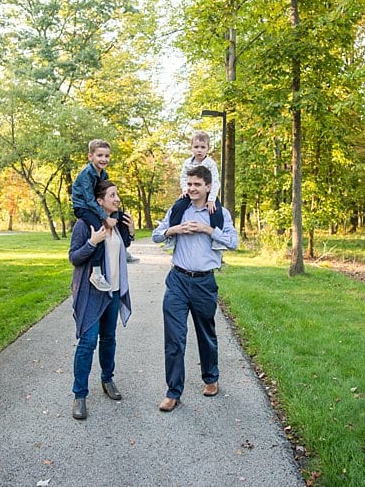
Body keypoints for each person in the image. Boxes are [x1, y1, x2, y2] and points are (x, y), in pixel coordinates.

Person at [151, 165, 238, 412]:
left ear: (208, 187)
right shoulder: (178, 208)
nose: (192, 188)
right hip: (177, 280)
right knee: (174, 338)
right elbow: (156, 236)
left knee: (205, 334)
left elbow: (233, 242)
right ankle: (173, 392)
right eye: (189, 184)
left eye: (197, 184)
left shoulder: (218, 213)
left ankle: (211, 378)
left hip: (204, 283)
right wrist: (175, 229)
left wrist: (208, 230)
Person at [69, 180, 135, 420]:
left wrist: (131, 231)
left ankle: (107, 379)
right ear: (99, 201)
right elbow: (74, 257)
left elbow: (121, 248)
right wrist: (92, 243)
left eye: (117, 194)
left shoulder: (116, 222)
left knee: (109, 339)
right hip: (92, 293)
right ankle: (80, 395)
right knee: (87, 342)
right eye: (112, 195)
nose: (117, 199)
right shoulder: (84, 224)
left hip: (113, 291)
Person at [71, 140, 138, 289]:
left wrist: (114, 216)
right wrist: (105, 217)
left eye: (107, 156)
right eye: (100, 155)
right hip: (83, 207)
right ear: (90, 156)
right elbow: (90, 199)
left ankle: (123, 251)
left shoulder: (103, 174)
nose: (104, 159)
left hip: (95, 205)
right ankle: (96, 272)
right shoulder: (86, 174)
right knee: (100, 231)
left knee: (120, 216)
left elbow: (103, 190)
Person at [164, 132, 225, 251]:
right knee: (177, 207)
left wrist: (211, 199)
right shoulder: (187, 163)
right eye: (196, 147)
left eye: (203, 147)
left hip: (209, 193)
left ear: (208, 148)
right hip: (190, 191)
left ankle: (217, 240)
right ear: (191, 148)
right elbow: (183, 177)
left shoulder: (210, 164)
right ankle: (172, 236)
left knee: (216, 211)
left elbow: (215, 182)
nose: (199, 150)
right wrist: (185, 190)